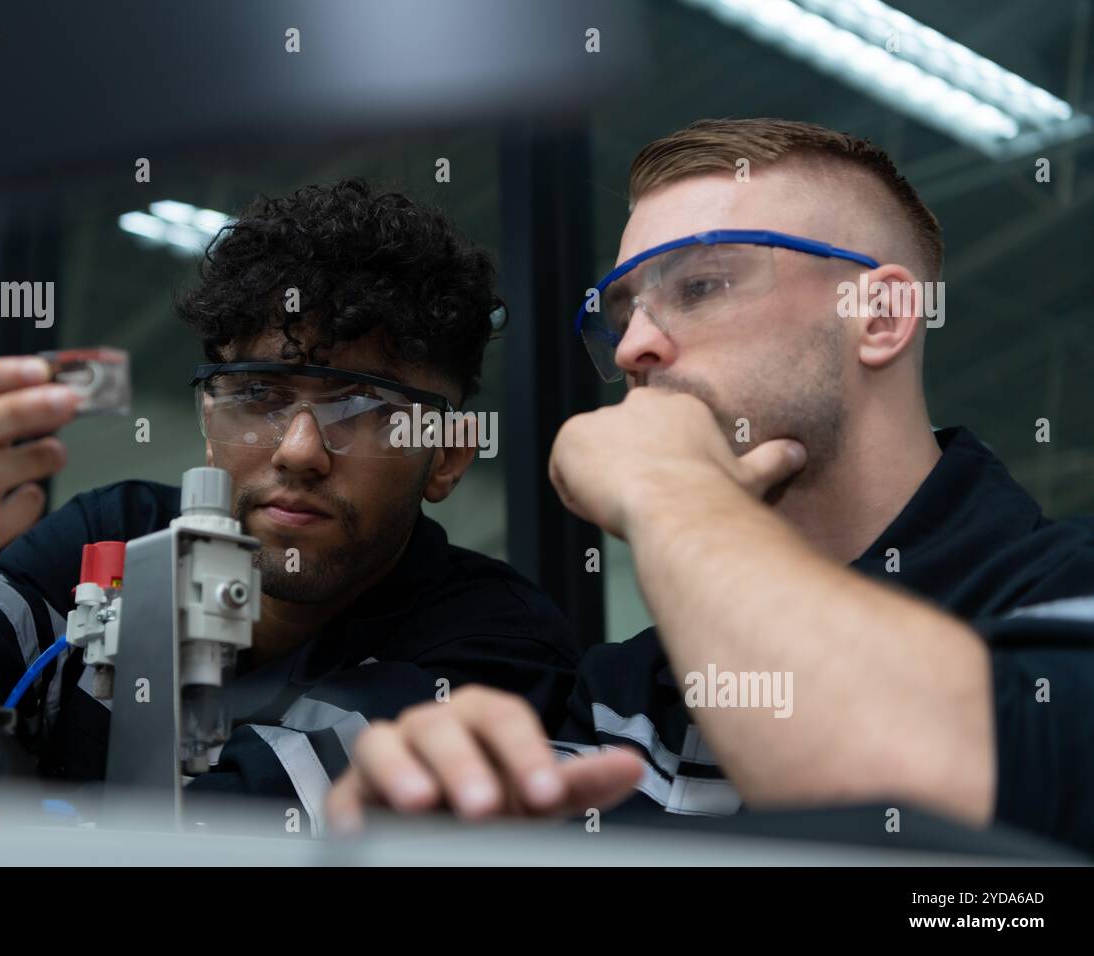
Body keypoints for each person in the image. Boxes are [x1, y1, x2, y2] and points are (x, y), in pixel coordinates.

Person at [324, 120, 1094, 854]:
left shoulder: (1063, 594)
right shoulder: (624, 696)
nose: (634, 347)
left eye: (700, 286)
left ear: (882, 313)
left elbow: (964, 831)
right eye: (621, 314)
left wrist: (671, 490)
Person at [0, 178, 579, 836]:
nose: (299, 450)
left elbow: (236, 834)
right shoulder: (116, 532)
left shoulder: (495, 647)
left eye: (362, 407)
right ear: (210, 424)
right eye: (259, 395)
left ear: (444, 455)